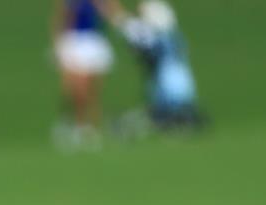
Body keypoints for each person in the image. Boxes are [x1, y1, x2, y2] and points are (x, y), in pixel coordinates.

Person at [112, 1, 205, 131]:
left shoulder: (164, 37)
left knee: (172, 101)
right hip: (165, 75)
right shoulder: (169, 37)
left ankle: (177, 120)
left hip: (169, 76)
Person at [52, 0, 114, 150]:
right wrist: (60, 44)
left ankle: (92, 129)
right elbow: (62, 18)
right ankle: (76, 127)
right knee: (78, 90)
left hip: (94, 41)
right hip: (75, 41)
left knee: (93, 92)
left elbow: (109, 15)